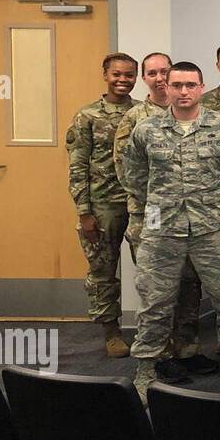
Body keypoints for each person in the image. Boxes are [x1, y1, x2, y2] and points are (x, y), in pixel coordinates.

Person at [123, 61, 220, 403]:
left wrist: (213, 202)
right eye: (177, 85)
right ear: (166, 87)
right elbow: (135, 177)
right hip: (161, 228)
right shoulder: (147, 130)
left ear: (201, 88)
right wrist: (158, 205)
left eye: (190, 85)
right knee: (155, 300)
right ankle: (146, 367)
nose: (183, 92)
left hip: (213, 226)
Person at [113, 53, 206, 378]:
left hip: (192, 216)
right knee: (158, 286)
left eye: (164, 71)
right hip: (151, 215)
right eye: (152, 72)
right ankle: (162, 355)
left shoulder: (190, 114)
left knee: (190, 283)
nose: (160, 77)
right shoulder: (136, 118)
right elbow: (127, 171)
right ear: (144, 78)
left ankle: (187, 348)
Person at [67, 52, 137, 357]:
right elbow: (77, 164)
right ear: (105, 75)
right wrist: (84, 211)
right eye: (116, 74)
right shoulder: (88, 116)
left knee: (151, 270)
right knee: (103, 271)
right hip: (102, 204)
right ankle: (111, 332)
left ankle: (155, 332)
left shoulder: (144, 113)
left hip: (137, 203)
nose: (122, 80)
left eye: (129, 75)